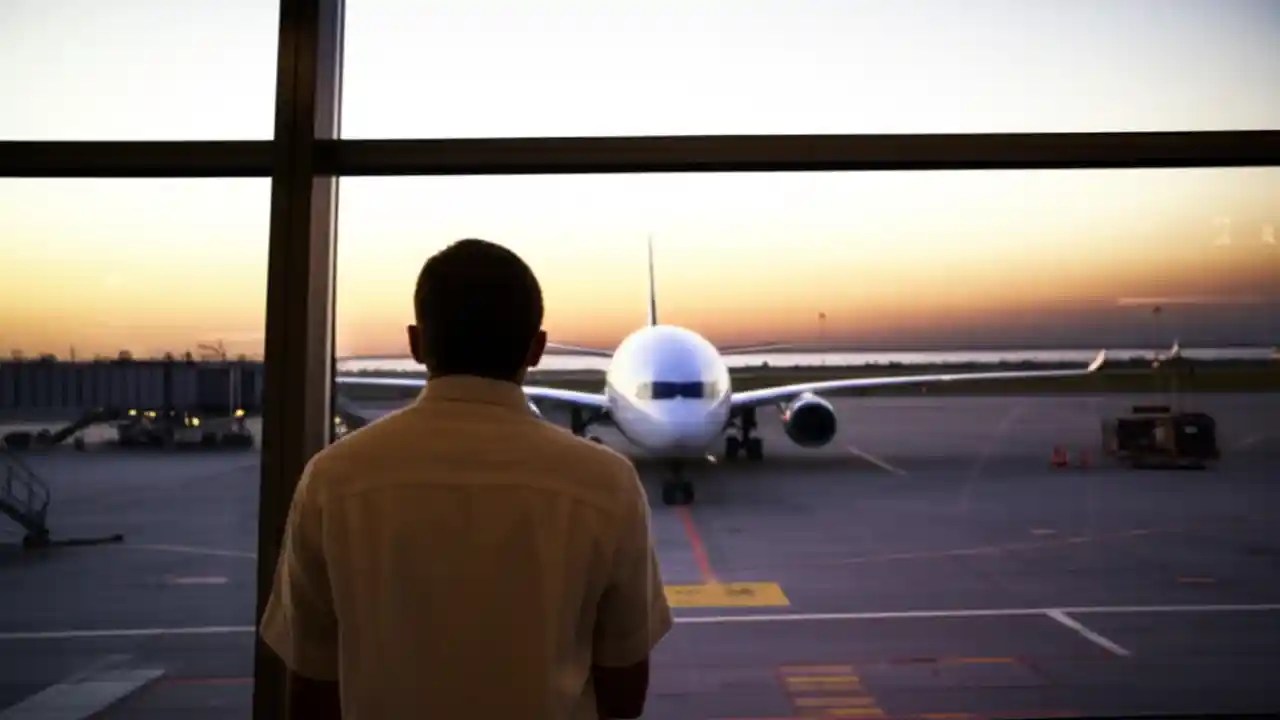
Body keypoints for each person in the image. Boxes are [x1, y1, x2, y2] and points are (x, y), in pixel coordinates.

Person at [260, 239, 672, 719]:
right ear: (537, 348)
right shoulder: (607, 483)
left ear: (416, 343)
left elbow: (310, 681)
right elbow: (624, 689)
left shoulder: (332, 479)